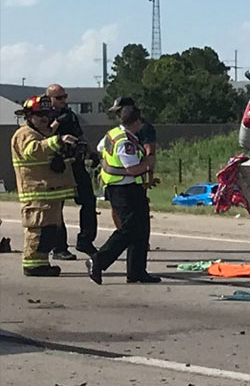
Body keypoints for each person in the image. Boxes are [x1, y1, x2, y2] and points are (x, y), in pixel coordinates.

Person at [86, 105, 159, 284]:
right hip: (123, 189)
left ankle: (137, 271)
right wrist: (149, 162)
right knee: (129, 229)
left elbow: (101, 148)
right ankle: (98, 260)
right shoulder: (126, 142)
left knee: (141, 229)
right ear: (136, 122)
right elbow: (133, 169)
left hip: (127, 188)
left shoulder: (113, 134)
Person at [9, 96, 78, 277]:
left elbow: (51, 160)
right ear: (29, 116)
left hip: (49, 192)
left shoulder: (43, 135)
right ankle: (32, 265)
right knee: (37, 229)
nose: (45, 118)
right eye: (40, 115)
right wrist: (58, 141)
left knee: (48, 231)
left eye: (48, 114)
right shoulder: (24, 134)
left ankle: (42, 263)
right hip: (36, 192)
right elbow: (33, 151)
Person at [46, 84, 99, 259]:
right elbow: (45, 135)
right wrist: (58, 121)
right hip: (57, 167)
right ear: (50, 99)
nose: (64, 101)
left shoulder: (70, 115)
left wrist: (92, 152)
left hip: (76, 163)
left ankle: (85, 241)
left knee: (88, 201)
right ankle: (59, 247)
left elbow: (79, 135)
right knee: (57, 206)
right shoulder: (44, 115)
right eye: (59, 98)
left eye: (65, 97)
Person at [105, 96, 158, 228]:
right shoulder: (118, 131)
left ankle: (132, 239)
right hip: (117, 179)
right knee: (118, 211)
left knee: (135, 216)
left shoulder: (143, 128)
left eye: (119, 111)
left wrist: (149, 175)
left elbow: (149, 152)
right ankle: (125, 237)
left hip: (135, 178)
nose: (117, 115)